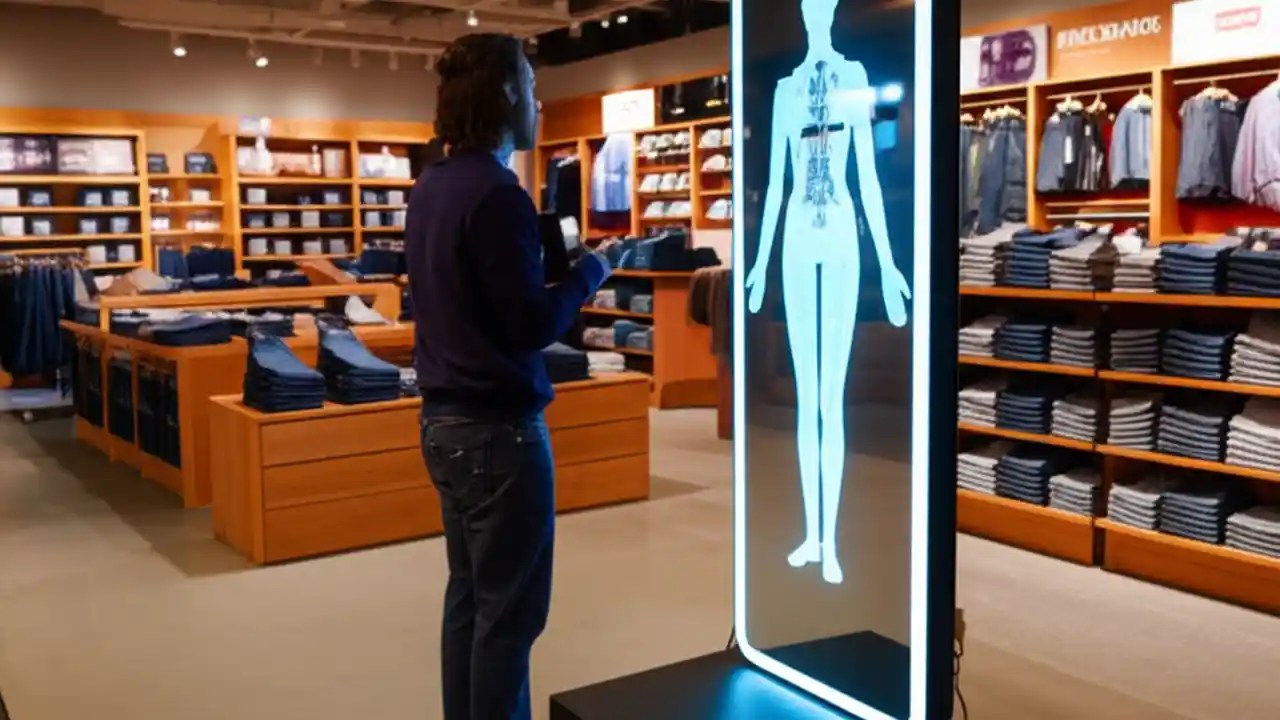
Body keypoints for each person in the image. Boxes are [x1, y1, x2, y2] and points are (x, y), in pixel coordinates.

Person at [404, 33, 612, 720]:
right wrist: (588, 273)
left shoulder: (432, 186)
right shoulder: (497, 194)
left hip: (444, 424)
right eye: (530, 82)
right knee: (509, 619)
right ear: (505, 94)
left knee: (469, 600)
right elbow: (529, 325)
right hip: (500, 435)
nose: (539, 99)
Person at [743, 0, 911, 585]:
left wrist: (889, 265)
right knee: (806, 394)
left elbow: (866, 174)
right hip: (794, 239)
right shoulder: (786, 92)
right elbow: (774, 181)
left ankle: (830, 541)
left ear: (833, 11)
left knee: (829, 397)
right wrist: (759, 263)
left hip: (841, 234)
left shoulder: (855, 79)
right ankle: (810, 536)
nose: (815, 12)